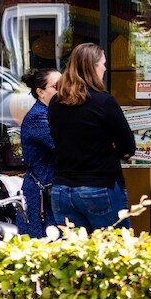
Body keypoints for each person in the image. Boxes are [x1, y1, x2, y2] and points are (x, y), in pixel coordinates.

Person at [47, 44, 136, 232]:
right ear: (92, 67)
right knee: (113, 246)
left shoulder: (56, 102)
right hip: (99, 185)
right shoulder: (104, 101)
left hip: (62, 188)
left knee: (74, 249)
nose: (105, 68)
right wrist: (111, 147)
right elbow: (128, 147)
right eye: (103, 64)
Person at [18, 67, 59, 238]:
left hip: (49, 187)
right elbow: (61, 145)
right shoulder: (38, 117)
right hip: (40, 190)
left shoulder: (52, 113)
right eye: (56, 87)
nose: (63, 90)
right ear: (40, 92)